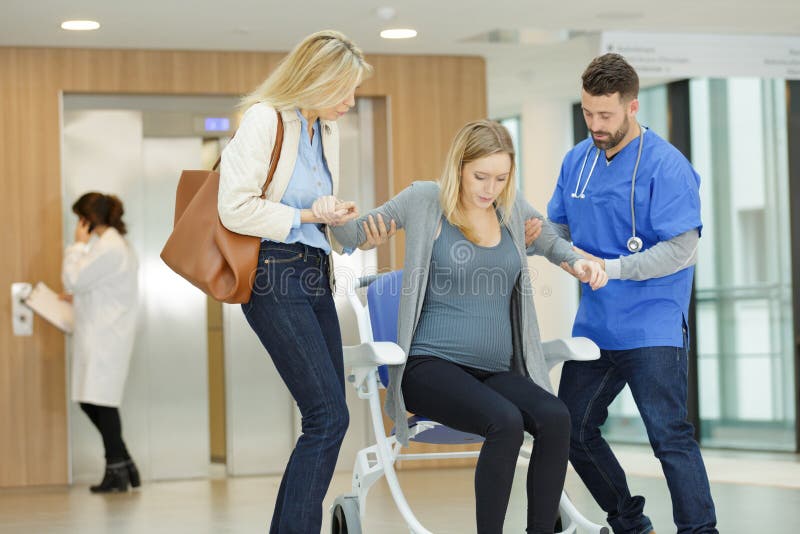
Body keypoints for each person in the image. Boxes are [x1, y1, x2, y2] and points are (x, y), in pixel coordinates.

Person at [333, 119, 608, 534]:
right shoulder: (425, 200)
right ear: (459, 166)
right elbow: (354, 234)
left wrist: (579, 264)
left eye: (501, 178)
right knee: (506, 422)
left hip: (495, 371)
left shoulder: (511, 209)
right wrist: (338, 217)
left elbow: (551, 241)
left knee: (555, 416)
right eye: (480, 176)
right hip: (430, 366)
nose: (490, 188)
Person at [544, 53, 717, 534]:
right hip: (595, 327)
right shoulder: (577, 160)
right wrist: (567, 258)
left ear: (632, 106)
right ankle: (630, 522)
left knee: (669, 437)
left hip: (651, 324)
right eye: (588, 113)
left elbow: (682, 249)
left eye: (606, 115)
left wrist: (611, 268)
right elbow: (555, 229)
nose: (595, 125)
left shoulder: (666, 165)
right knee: (571, 427)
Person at [217, 30, 371, 534]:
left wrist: (340, 222)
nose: (350, 101)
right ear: (315, 79)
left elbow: (314, 215)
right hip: (273, 271)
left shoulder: (326, 130)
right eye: (344, 89)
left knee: (330, 416)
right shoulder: (266, 119)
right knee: (328, 415)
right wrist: (309, 214)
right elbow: (234, 208)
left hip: (314, 270)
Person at [62, 192, 140, 493]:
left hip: (105, 335)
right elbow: (95, 285)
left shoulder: (108, 247)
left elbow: (73, 279)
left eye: (80, 219)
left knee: (101, 402)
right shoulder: (114, 245)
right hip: (104, 331)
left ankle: (118, 469)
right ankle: (123, 463)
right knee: (94, 399)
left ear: (88, 219)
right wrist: (78, 297)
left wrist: (77, 245)